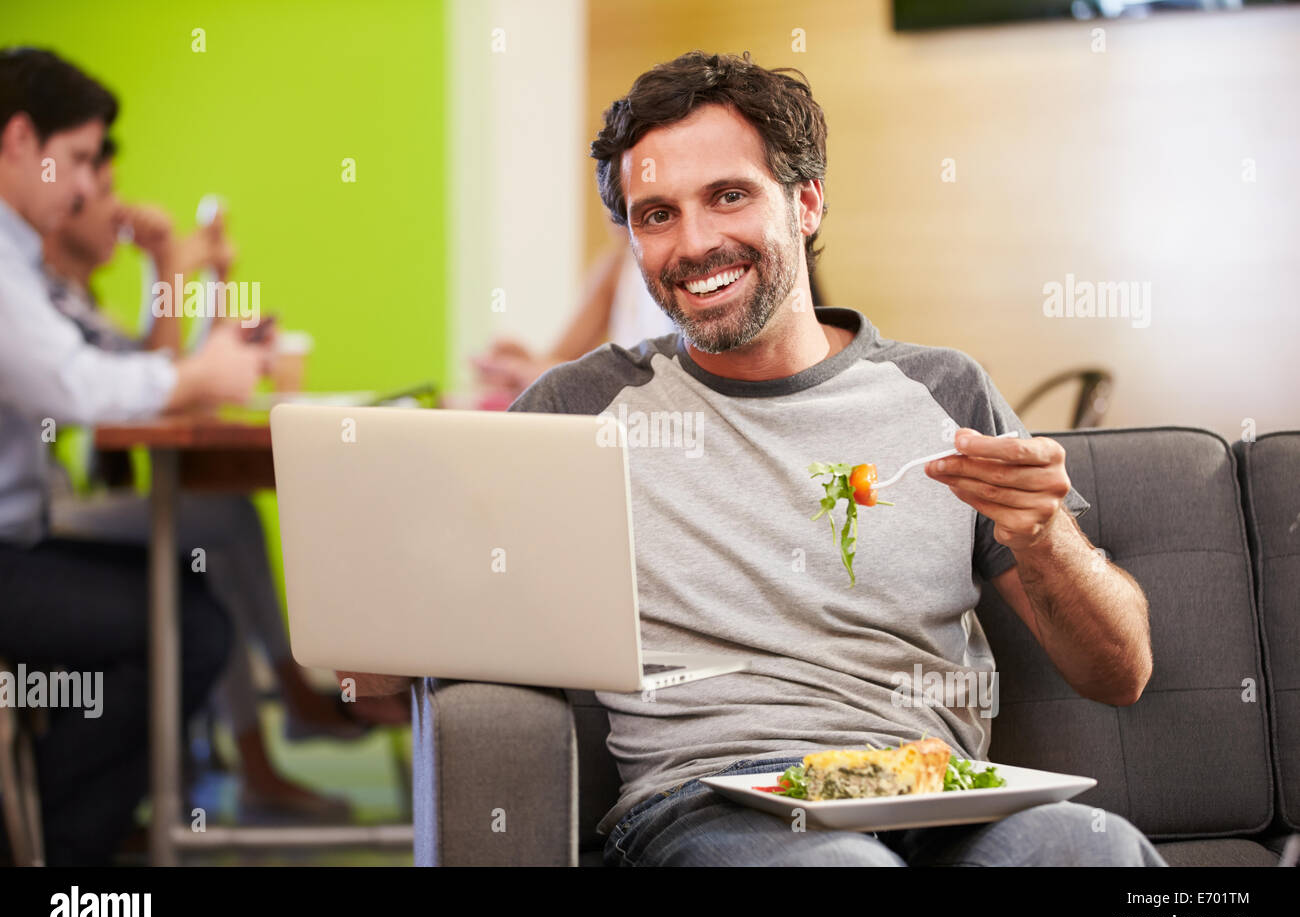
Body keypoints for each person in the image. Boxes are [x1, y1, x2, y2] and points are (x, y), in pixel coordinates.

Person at [350, 50, 1164, 866]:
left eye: (728, 196)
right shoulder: (580, 407)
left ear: (805, 203)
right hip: (709, 804)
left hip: (938, 794)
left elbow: (1118, 673)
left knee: (1095, 852)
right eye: (656, 213)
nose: (694, 243)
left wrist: (1044, 533)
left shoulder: (945, 390)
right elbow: (380, 676)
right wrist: (386, 604)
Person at [40, 135, 364, 822]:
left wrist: (188, 275)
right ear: (60, 208)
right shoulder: (40, 298)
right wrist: (171, 269)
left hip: (66, 503)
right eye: (101, 191)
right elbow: (154, 392)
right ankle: (283, 710)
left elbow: (162, 379)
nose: (115, 208)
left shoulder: (72, 300)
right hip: (45, 516)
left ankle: (265, 748)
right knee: (219, 521)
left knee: (216, 529)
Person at [0, 47, 258, 864]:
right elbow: (78, 387)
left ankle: (66, 826)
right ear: (17, 138)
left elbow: (112, 370)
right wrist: (203, 371)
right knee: (184, 626)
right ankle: (62, 840)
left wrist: (180, 325)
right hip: (11, 547)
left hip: (26, 533)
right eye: (79, 161)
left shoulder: (22, 261)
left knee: (186, 597)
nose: (87, 189)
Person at [471, 218, 827, 406]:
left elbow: (689, 385)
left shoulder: (708, 267)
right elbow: (561, 362)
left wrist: (541, 372)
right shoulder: (615, 266)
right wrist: (526, 365)